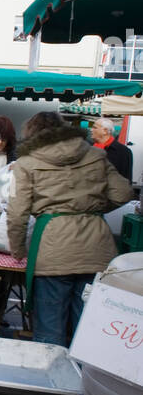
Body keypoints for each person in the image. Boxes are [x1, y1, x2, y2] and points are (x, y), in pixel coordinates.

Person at [7, 112, 132, 346]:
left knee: (49, 333)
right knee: (88, 332)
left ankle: (51, 381)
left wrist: (18, 249)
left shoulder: (26, 162)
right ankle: (84, 382)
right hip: (97, 248)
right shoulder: (96, 155)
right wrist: (91, 208)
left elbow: (17, 214)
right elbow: (123, 193)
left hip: (53, 250)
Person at [90, 118, 133, 183]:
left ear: (105, 131)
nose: (91, 130)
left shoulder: (123, 152)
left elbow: (125, 179)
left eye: (95, 128)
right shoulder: (89, 149)